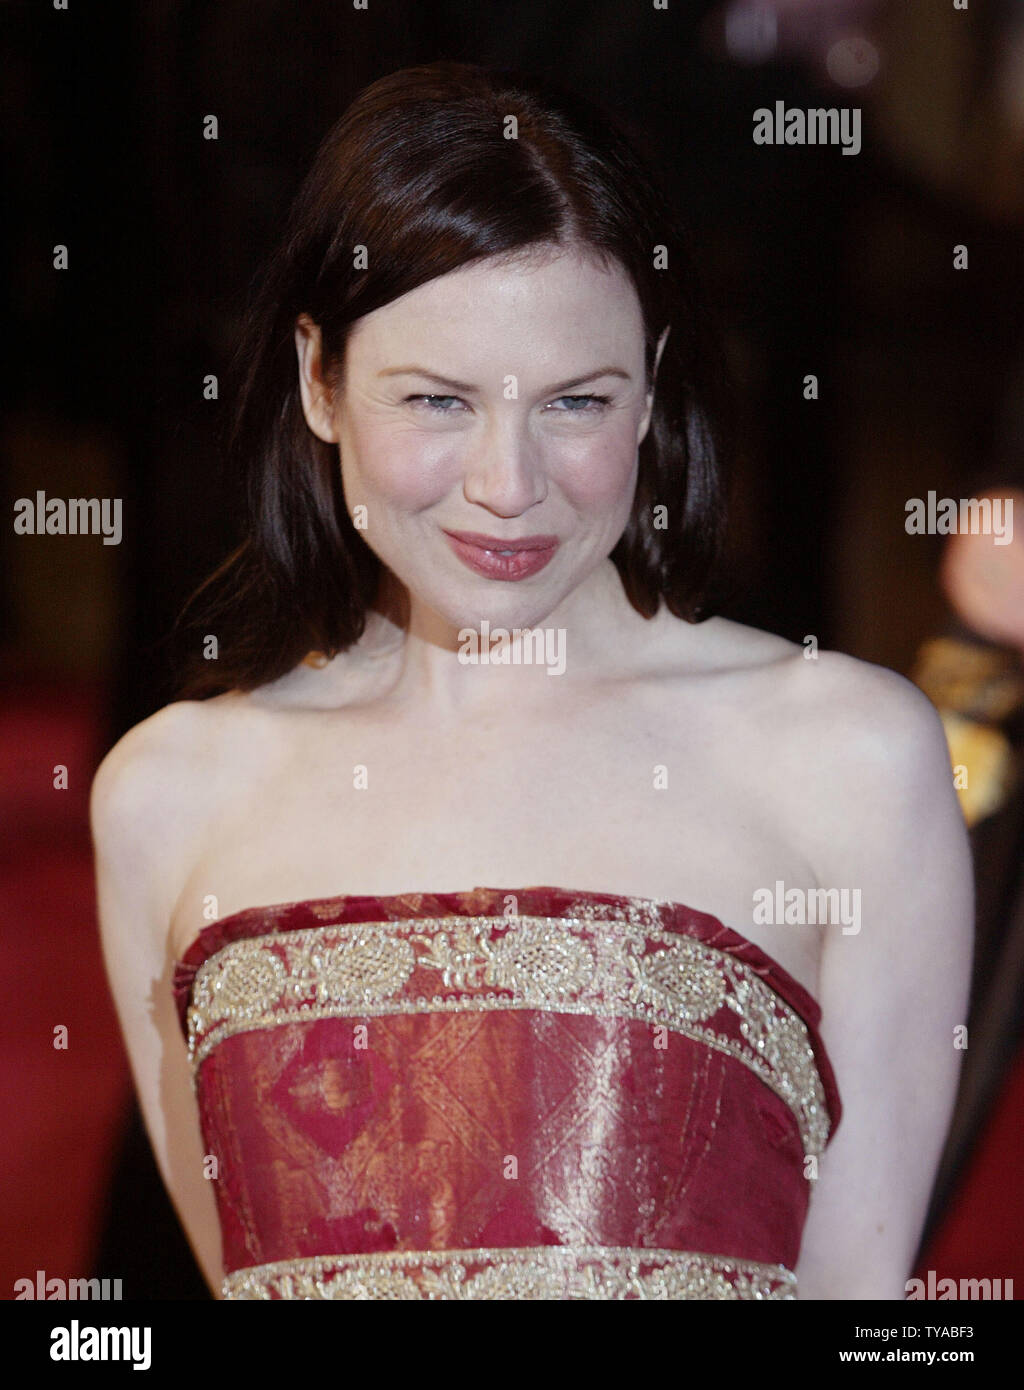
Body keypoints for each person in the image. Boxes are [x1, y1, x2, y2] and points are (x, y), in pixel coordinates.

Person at [90, 59, 973, 1300]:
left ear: (651, 383)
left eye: (575, 401)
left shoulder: (845, 757)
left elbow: (859, 1304)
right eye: (437, 400)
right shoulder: (170, 794)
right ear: (318, 381)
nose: (508, 484)